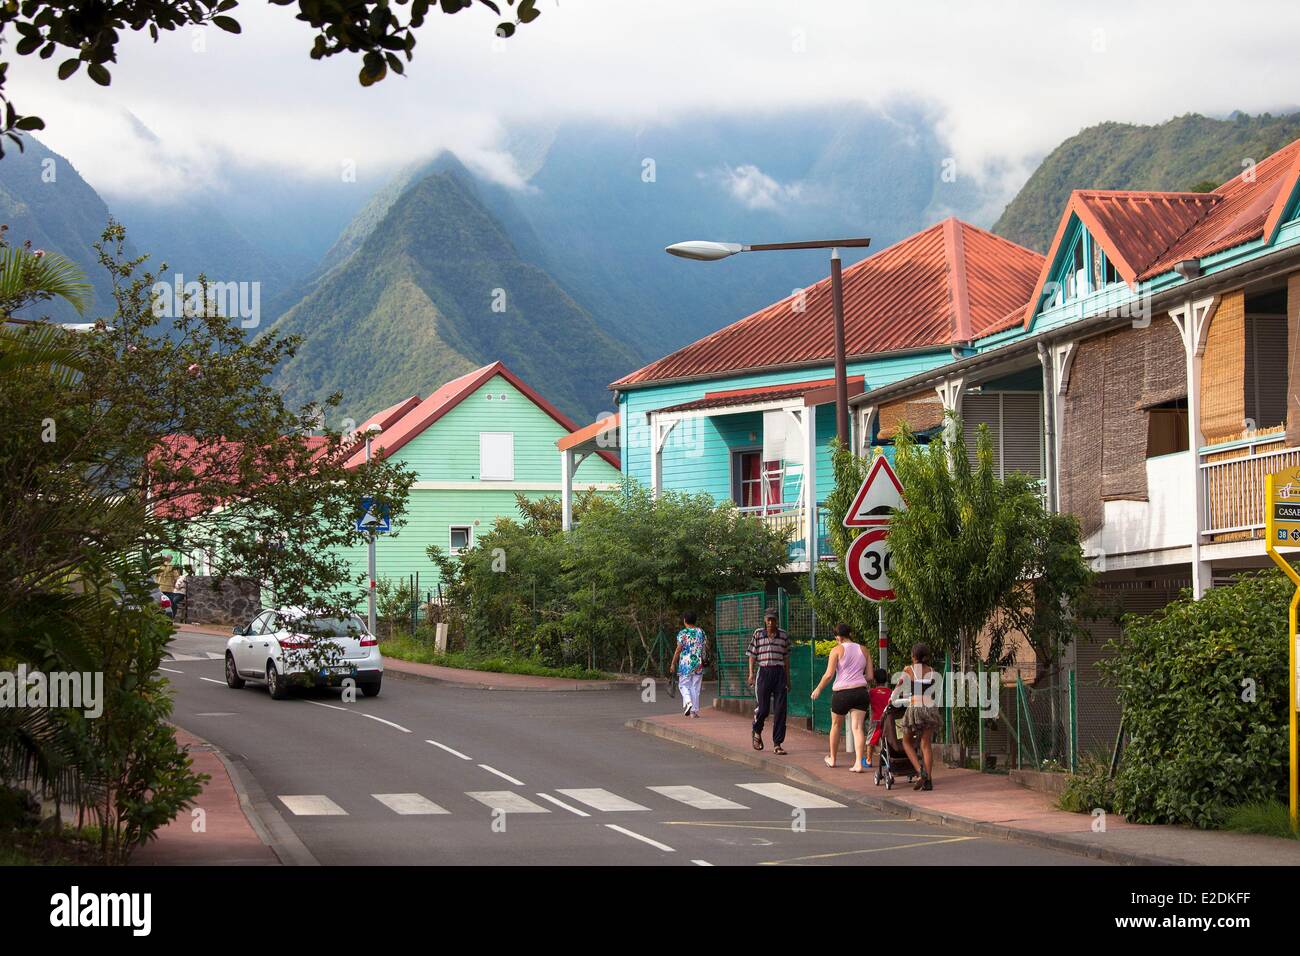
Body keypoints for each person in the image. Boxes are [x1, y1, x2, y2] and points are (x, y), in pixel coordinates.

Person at [810, 623, 871, 772]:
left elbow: (829, 674)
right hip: (861, 692)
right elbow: (870, 676)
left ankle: (832, 758)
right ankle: (858, 763)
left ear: (838, 637)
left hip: (842, 693)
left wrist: (818, 689)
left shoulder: (836, 650)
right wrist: (857, 678)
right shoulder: (864, 650)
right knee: (857, 728)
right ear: (850, 634)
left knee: (836, 725)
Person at [747, 607, 791, 755]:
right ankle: (757, 730)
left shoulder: (783, 635)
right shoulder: (758, 634)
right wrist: (751, 673)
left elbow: (786, 657)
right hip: (764, 672)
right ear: (765, 620)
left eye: (773, 619)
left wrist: (788, 679)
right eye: (768, 619)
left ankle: (777, 743)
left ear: (776, 620)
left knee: (780, 710)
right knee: (763, 708)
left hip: (779, 673)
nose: (771, 622)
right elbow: (752, 655)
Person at [897, 643, 941, 790]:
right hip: (930, 708)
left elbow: (899, 687)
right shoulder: (932, 670)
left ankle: (919, 770)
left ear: (914, 656)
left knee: (906, 741)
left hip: (915, 708)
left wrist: (893, 697)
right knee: (926, 744)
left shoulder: (909, 669)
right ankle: (929, 780)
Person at [670, 610, 708, 718]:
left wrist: (673, 663)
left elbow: (678, 649)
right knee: (695, 687)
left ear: (685, 620)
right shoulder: (700, 631)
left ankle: (688, 702)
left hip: (686, 663)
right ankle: (694, 712)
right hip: (698, 663)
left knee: (683, 685)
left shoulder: (683, 633)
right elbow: (706, 645)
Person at [865, 668, 892, 768]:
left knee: (870, 740)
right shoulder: (890, 692)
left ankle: (868, 760)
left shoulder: (872, 692)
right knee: (887, 740)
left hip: (876, 719)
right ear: (886, 680)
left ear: (875, 680)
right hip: (887, 720)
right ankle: (887, 760)